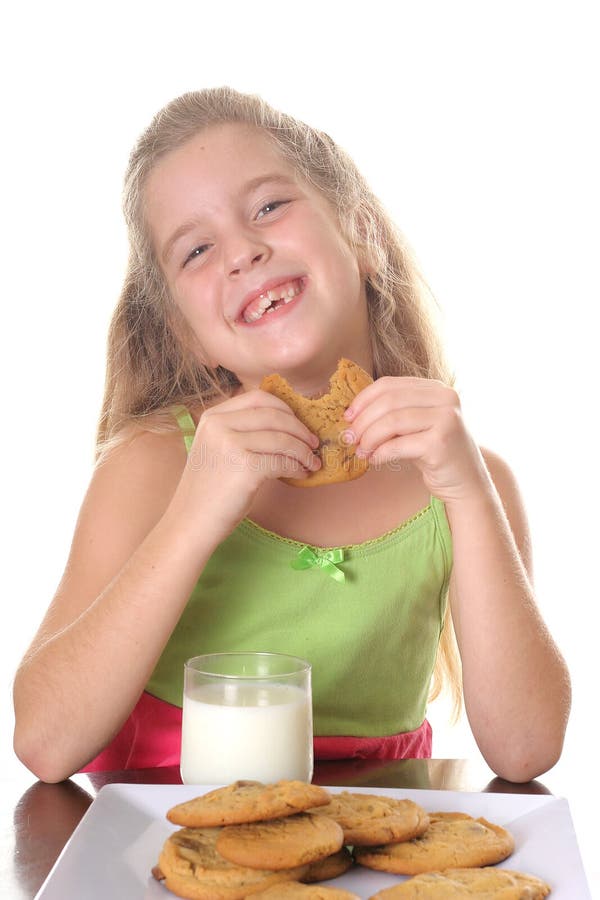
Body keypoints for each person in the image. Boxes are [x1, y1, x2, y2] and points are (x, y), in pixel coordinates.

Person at [13, 87, 570, 784]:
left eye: (269, 207)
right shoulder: (153, 467)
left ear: (361, 236)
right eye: (196, 250)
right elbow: (45, 742)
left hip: (370, 864)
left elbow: (526, 751)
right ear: (188, 335)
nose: (243, 251)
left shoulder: (460, 479)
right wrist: (193, 518)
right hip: (164, 861)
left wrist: (468, 492)